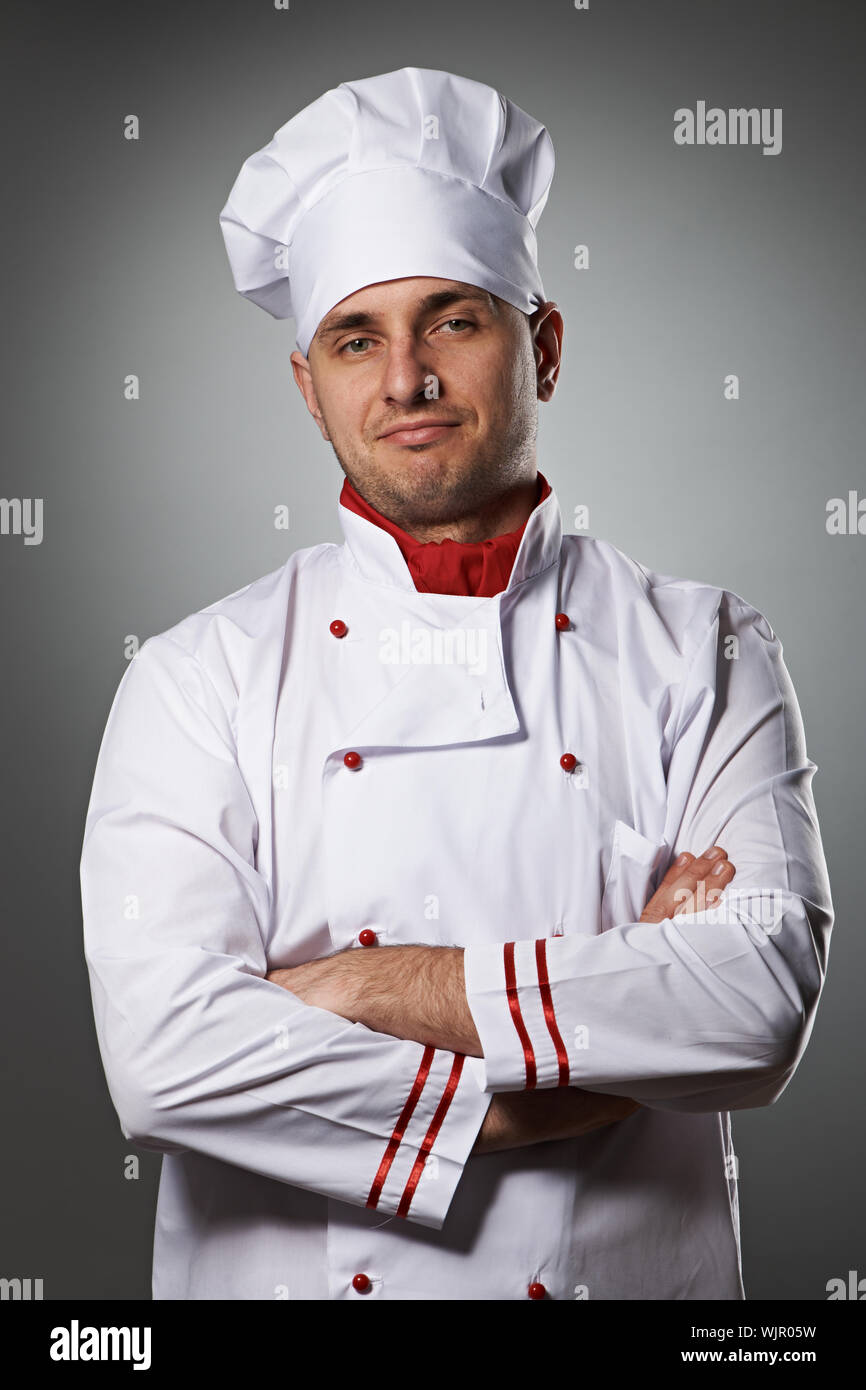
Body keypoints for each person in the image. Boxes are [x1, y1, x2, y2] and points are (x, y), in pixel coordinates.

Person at [80, 66, 834, 1301]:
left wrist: (358, 987)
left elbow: (753, 1006)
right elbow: (165, 1060)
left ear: (539, 343)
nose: (405, 380)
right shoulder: (193, 677)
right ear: (307, 385)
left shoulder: (706, 645)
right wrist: (608, 1010)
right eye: (354, 339)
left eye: (453, 320)